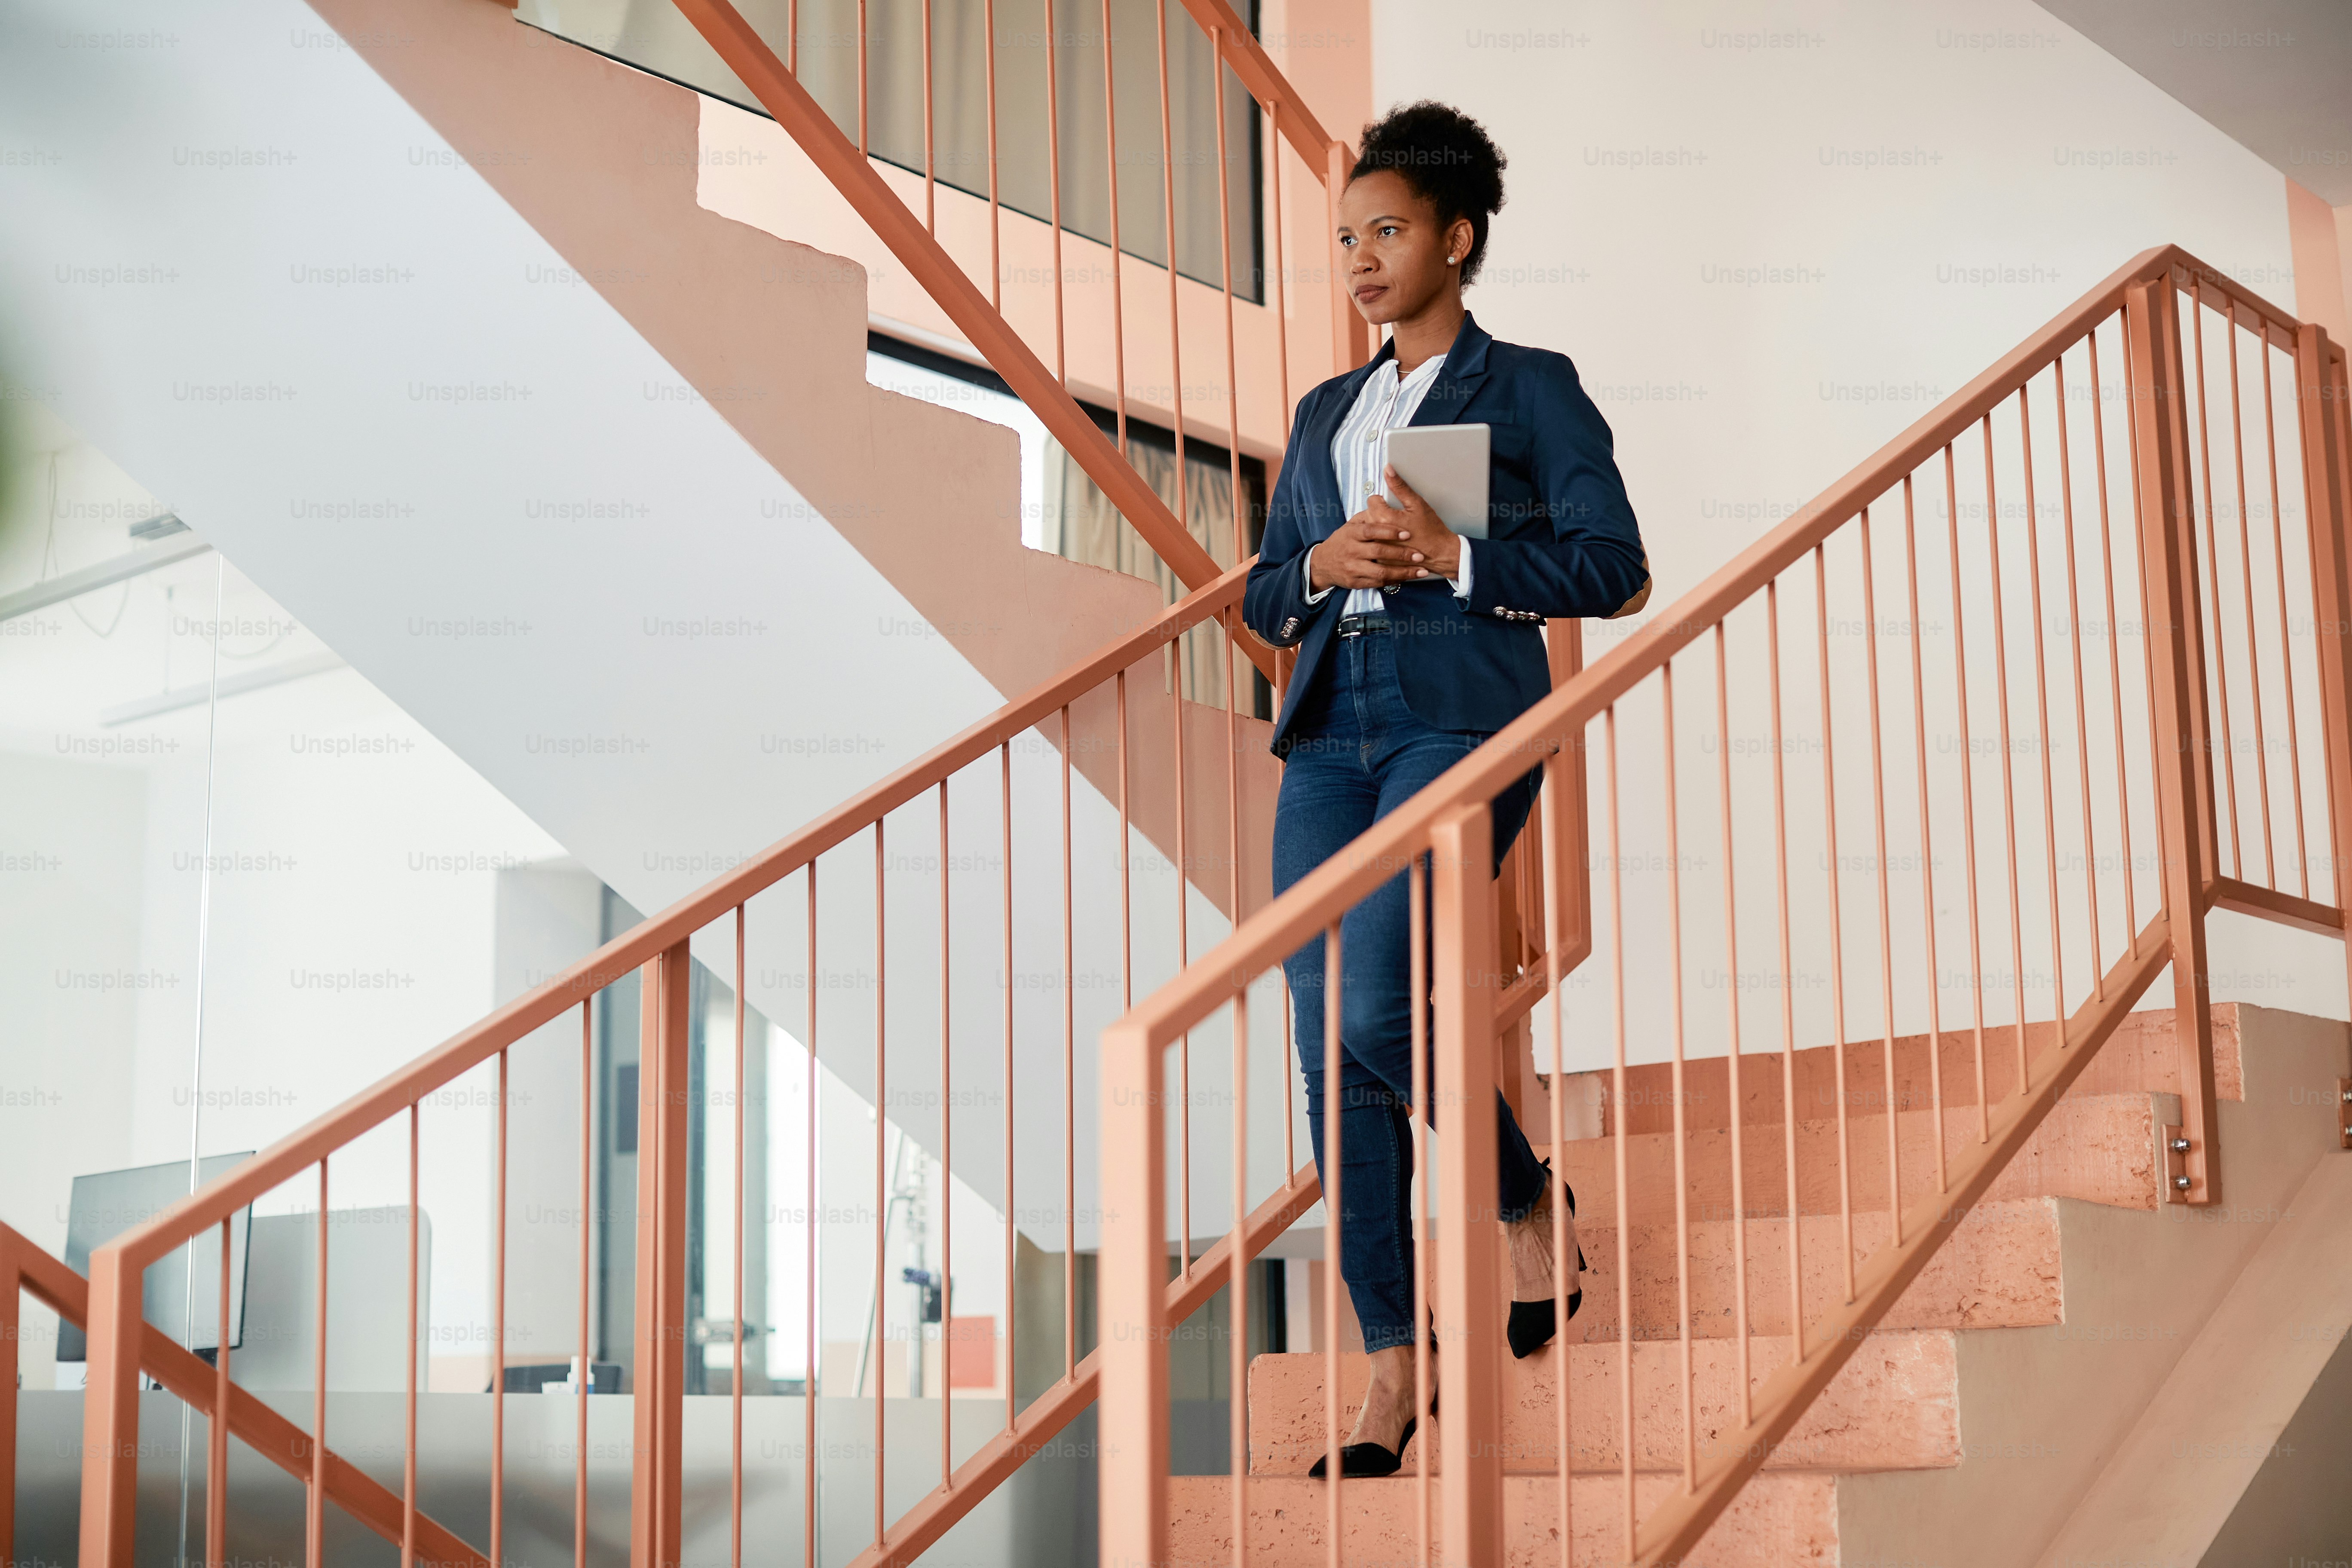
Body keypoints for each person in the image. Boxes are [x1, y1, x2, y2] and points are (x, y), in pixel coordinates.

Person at [1242, 100, 1651, 1478]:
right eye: (1346, 237)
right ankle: (1391, 1363)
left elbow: (1615, 568)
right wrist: (1320, 570)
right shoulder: (1326, 412)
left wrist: (1455, 559)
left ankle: (1523, 1202)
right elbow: (1262, 590)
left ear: (1457, 239)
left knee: (1377, 1003)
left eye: (1389, 232)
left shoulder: (1528, 385)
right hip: (1328, 728)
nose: (1361, 259)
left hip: (1455, 712)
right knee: (1327, 1042)